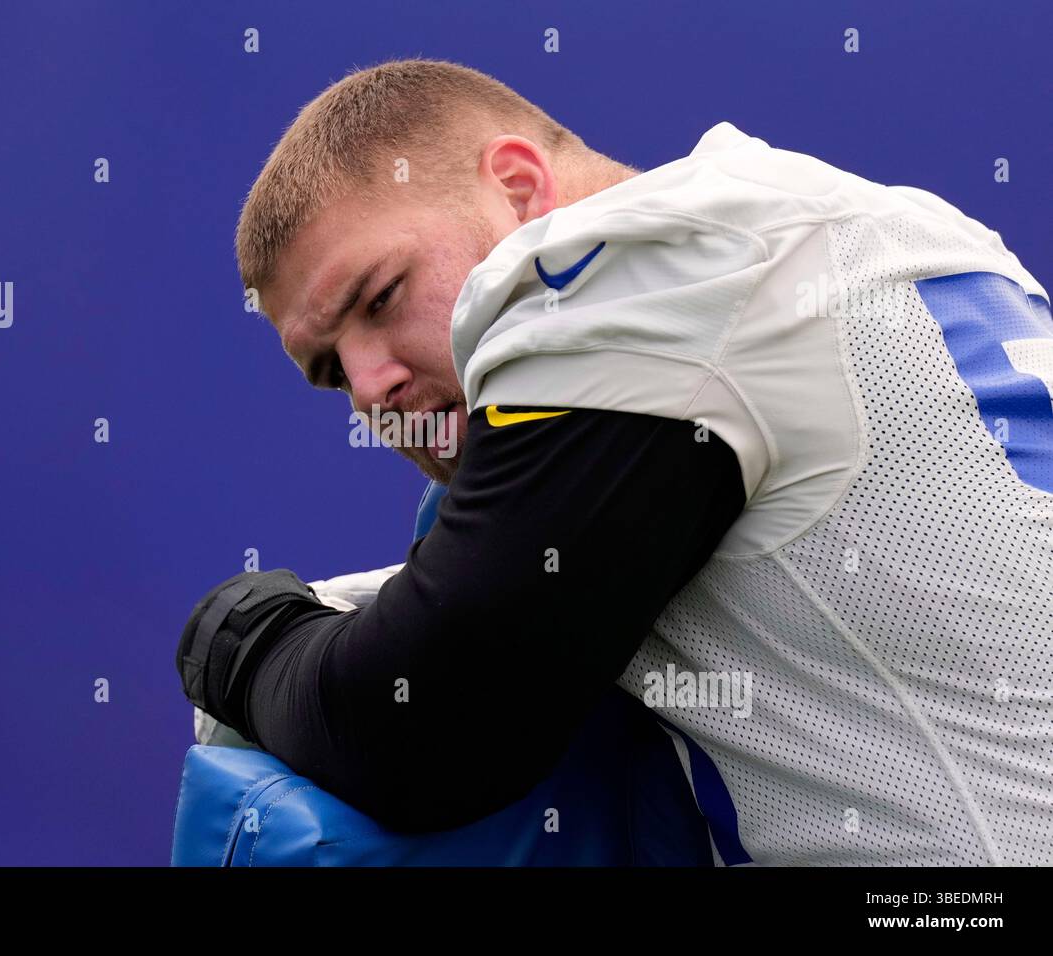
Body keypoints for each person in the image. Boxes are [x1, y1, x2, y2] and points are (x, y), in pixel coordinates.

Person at [179, 58, 1053, 865]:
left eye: (381, 297)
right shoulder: (889, 227)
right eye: (331, 370)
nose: (371, 388)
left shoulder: (624, 270)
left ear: (519, 189)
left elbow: (424, 721)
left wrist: (241, 640)